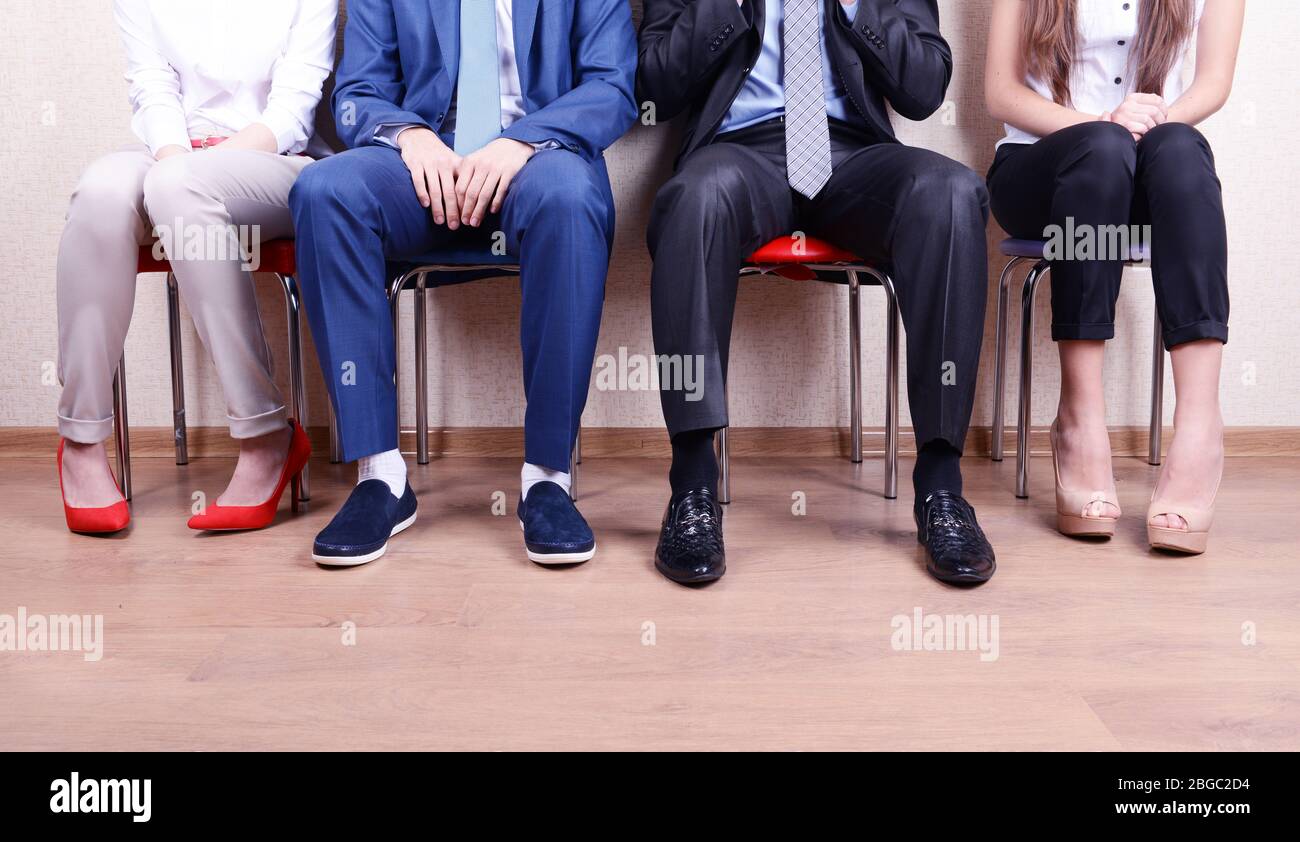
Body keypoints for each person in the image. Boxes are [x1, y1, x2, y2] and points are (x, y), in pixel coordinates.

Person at [638, 0, 997, 586]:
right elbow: (652, 84)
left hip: (854, 152)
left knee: (950, 195)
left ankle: (942, 492)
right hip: (739, 151)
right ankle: (693, 490)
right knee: (694, 200)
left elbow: (926, 87)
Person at [289, 0, 638, 566]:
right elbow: (356, 91)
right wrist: (408, 135)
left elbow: (613, 87)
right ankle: (380, 477)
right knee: (324, 192)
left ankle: (548, 478)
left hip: (538, 161)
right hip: (426, 167)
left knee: (570, 199)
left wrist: (521, 140)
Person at [56, 0, 337, 534]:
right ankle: (82, 441)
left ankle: (265, 436)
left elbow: (293, 109)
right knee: (100, 195)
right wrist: (175, 162)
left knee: (178, 187)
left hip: (274, 161)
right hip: (167, 153)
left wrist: (189, 175)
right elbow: (152, 89)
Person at [985, 0, 1244, 553]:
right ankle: (1080, 418)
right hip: (1041, 172)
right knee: (1101, 150)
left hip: (1151, 159)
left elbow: (1214, 81)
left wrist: (1145, 126)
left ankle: (1200, 426)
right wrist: (1102, 125)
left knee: (1181, 150)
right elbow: (1000, 93)